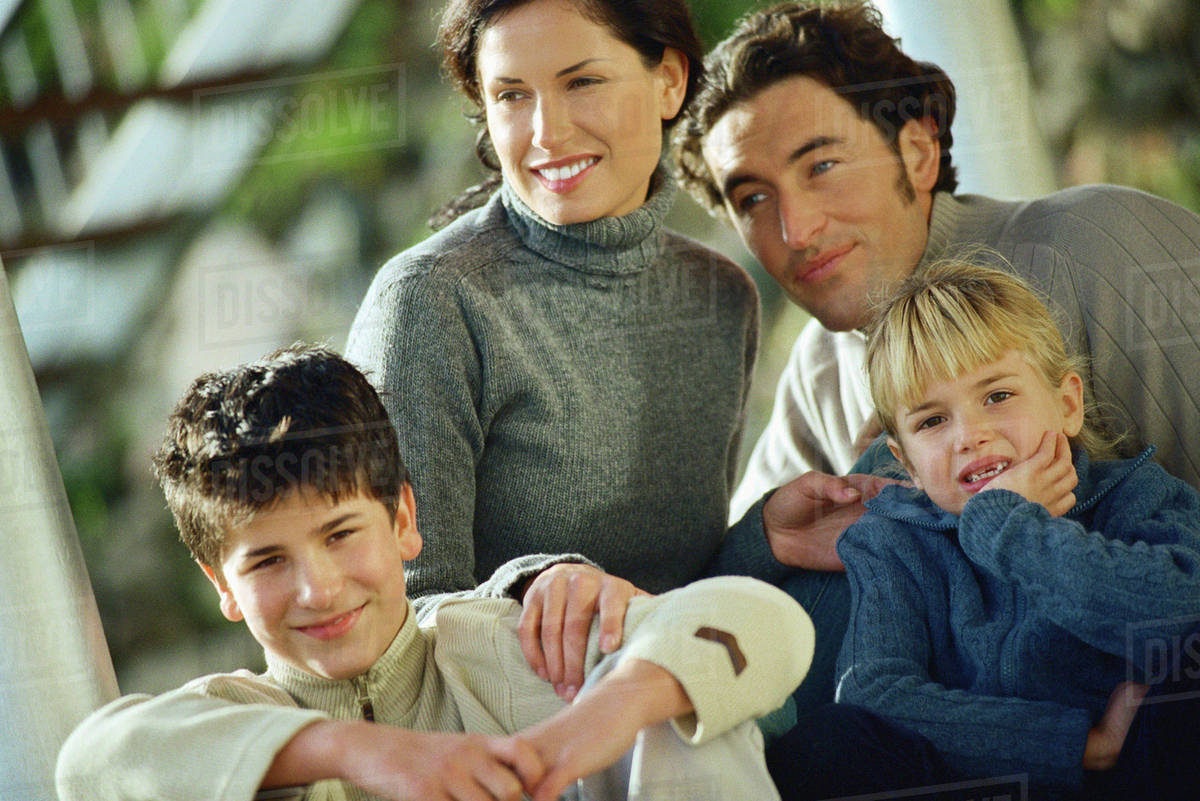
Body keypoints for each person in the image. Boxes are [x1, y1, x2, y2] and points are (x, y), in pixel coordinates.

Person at [344, 0, 879, 709]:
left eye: (582, 82)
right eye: (511, 96)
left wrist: (763, 538)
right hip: (504, 727)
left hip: (672, 704)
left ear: (669, 81)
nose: (547, 132)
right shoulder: (431, 299)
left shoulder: (719, 296)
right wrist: (537, 584)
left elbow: (672, 591)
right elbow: (386, 620)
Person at [55, 345, 815, 801]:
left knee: (678, 700)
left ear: (403, 521)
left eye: (340, 534)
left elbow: (767, 622)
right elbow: (88, 765)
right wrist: (362, 751)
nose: (319, 589)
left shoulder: (513, 642)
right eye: (268, 561)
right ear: (222, 584)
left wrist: (590, 725)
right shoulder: (235, 713)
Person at [675, 1, 1200, 522]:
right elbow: (738, 563)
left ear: (918, 152)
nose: (797, 230)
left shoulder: (1100, 244)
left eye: (822, 166)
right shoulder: (820, 376)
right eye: (753, 199)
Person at [771, 263, 1200, 800]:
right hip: (977, 781)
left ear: (1068, 404)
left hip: (1137, 780)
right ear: (906, 464)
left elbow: (1178, 616)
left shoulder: (1136, 493)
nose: (970, 436)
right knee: (825, 745)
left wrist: (1009, 531)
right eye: (932, 421)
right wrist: (1077, 745)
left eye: (997, 396)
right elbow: (873, 691)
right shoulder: (893, 540)